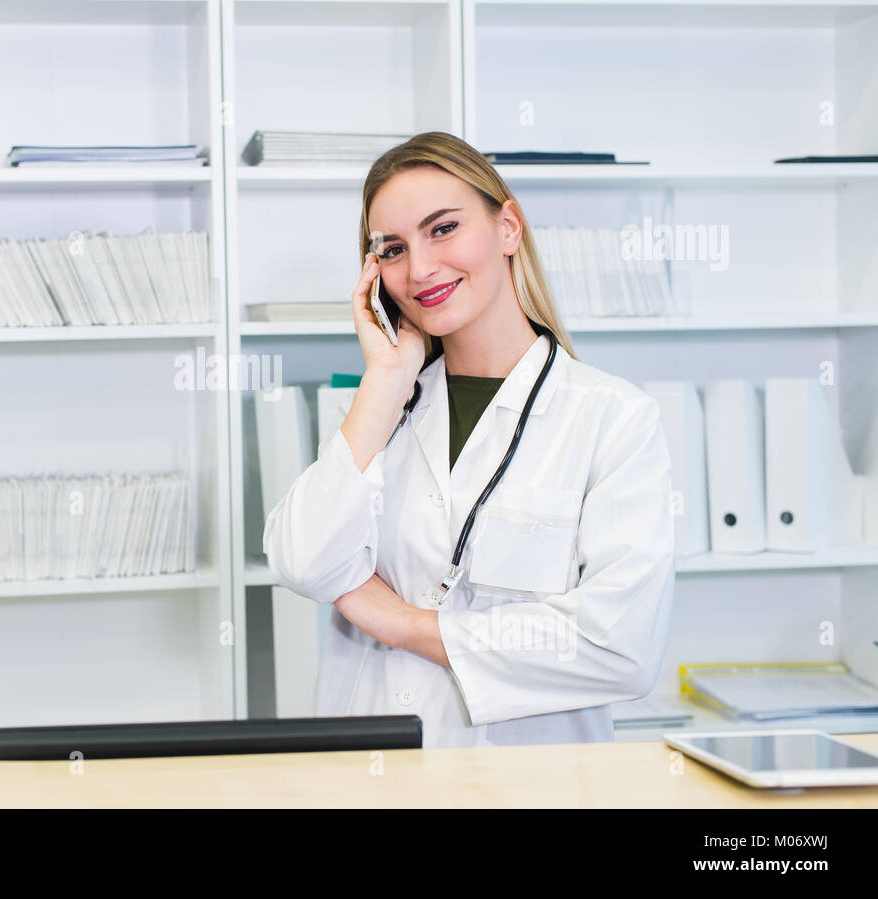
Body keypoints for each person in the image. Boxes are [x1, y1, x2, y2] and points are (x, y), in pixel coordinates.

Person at [262, 131, 675, 747]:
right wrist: (386, 376)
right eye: (393, 248)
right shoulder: (383, 408)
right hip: (372, 774)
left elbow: (618, 646)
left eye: (444, 228)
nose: (421, 268)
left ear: (508, 227)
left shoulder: (613, 418)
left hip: (526, 785)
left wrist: (400, 622)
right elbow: (300, 560)